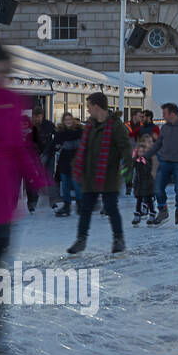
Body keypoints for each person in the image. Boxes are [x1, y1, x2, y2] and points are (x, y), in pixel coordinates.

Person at [0, 45, 52, 355]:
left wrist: (40, 181)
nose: (1, 77)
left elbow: (21, 149)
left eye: (4, 70)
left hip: (2, 205)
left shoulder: (15, 102)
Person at [67, 92, 133, 255]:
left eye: (89, 106)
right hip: (91, 175)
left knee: (111, 208)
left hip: (108, 175)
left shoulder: (116, 126)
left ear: (96, 106)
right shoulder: (90, 125)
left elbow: (125, 149)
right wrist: (77, 165)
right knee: (86, 208)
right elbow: (84, 148)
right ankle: (81, 240)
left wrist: (128, 170)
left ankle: (119, 239)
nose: (88, 110)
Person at [52, 112, 84, 216]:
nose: (68, 122)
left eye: (69, 119)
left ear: (73, 120)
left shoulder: (79, 131)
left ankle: (80, 205)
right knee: (65, 184)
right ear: (63, 121)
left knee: (76, 184)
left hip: (76, 160)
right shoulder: (60, 132)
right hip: (64, 161)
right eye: (66, 120)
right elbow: (54, 144)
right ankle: (67, 205)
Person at [131, 132, 157, 225]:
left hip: (148, 182)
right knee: (139, 199)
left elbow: (150, 169)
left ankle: (152, 213)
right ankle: (138, 213)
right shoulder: (136, 159)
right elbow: (132, 166)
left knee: (148, 199)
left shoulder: (148, 158)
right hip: (139, 182)